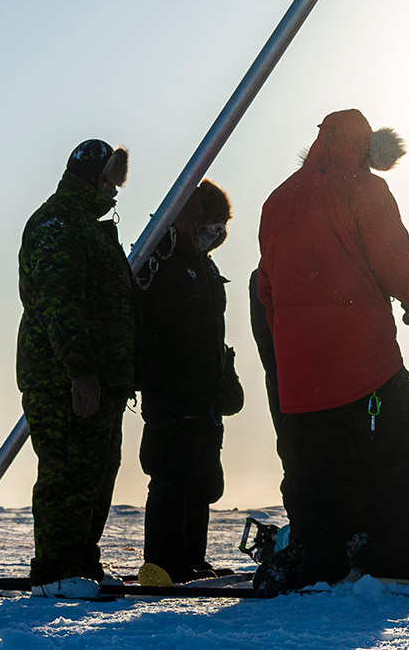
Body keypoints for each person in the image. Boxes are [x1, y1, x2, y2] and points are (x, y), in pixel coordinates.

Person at [255, 109, 409, 592]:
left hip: (300, 378)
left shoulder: (276, 201)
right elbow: (391, 258)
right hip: (364, 368)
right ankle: (394, 565)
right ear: (364, 148)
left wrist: (293, 344)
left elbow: (265, 288)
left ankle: (320, 570)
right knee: (401, 451)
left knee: (313, 476)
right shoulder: (364, 189)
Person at [247, 266, 409, 569]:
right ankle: (379, 550)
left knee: (317, 459)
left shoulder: (278, 272)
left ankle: (329, 550)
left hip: (313, 390)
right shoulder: (331, 260)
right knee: (393, 452)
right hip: (340, 383)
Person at [16, 139, 134, 598]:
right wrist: (80, 371)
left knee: (97, 469)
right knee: (67, 469)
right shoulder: (57, 225)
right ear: (90, 176)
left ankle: (82, 561)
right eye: (108, 179)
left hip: (100, 380)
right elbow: (58, 303)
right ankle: (55, 570)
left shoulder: (87, 227)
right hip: (61, 379)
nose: (113, 190)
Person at [134, 180, 244, 585]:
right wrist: (157, 384)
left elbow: (213, 334)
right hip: (171, 389)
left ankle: (191, 558)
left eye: (219, 230)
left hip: (205, 392)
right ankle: (161, 564)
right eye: (206, 227)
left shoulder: (205, 267)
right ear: (186, 222)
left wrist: (226, 377)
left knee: (202, 479)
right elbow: (153, 332)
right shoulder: (160, 263)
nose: (213, 237)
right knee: (170, 475)